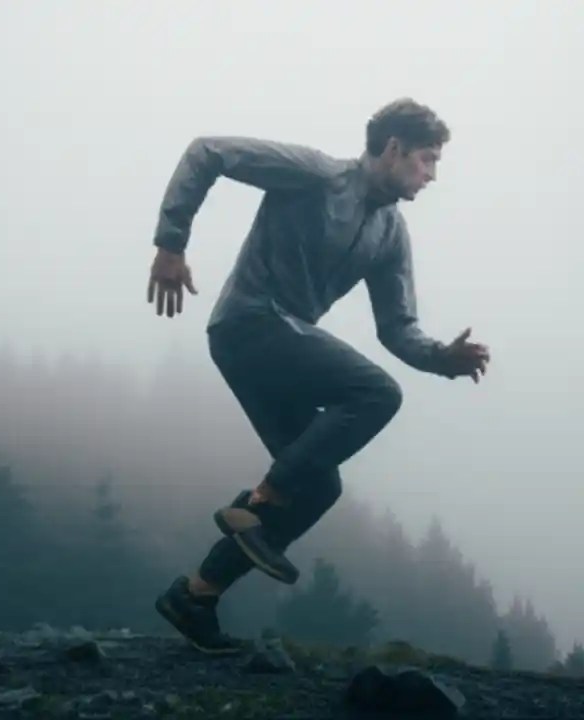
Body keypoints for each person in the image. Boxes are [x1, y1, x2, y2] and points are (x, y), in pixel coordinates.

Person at [145, 99, 490, 656]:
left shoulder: (390, 233)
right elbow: (207, 151)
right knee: (376, 393)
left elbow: (397, 327)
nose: (432, 175)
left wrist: (439, 358)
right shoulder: (316, 174)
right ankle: (266, 495)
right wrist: (171, 242)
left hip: (280, 349)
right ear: (394, 148)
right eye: (427, 160)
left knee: (322, 485)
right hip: (249, 323)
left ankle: (196, 595)